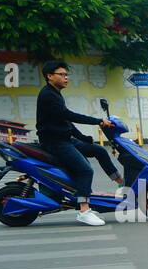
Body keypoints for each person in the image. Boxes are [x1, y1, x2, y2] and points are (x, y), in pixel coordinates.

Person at [36, 60, 116, 226]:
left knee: (99, 150)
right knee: (85, 170)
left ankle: (120, 182)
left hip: (65, 139)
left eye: (66, 75)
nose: (66, 78)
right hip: (54, 143)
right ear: (49, 76)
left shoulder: (55, 93)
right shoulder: (48, 95)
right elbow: (69, 115)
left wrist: (82, 137)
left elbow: (65, 122)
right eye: (62, 74)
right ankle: (84, 210)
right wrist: (98, 121)